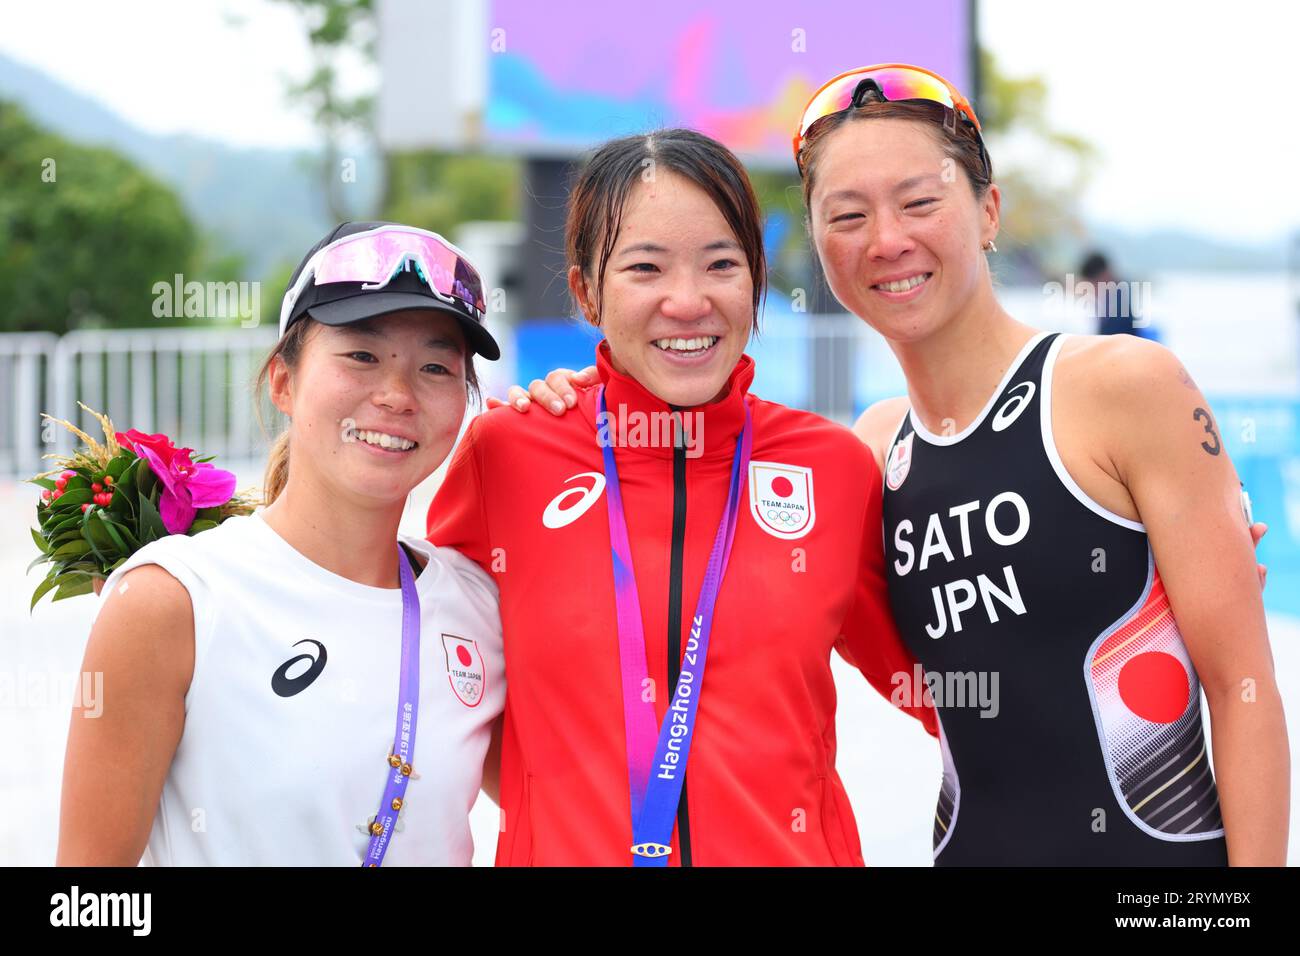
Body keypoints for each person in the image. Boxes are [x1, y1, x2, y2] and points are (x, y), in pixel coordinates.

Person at [507, 65, 1287, 866]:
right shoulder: (866, 457)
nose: (887, 240)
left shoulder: (1122, 385)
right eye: (847, 215)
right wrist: (578, 401)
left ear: (988, 211)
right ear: (819, 247)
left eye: (919, 202)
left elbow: (1245, 693)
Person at [426, 128, 936, 867]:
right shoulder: (507, 455)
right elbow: (441, 688)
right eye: (645, 267)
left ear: (756, 281)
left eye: (722, 264)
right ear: (586, 292)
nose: (688, 301)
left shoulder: (831, 469)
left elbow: (937, 686)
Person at [57, 221, 506, 866]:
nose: (397, 396)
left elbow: (572, 793)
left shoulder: (475, 607)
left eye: (436, 367)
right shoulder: (174, 601)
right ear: (283, 381)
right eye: (361, 355)